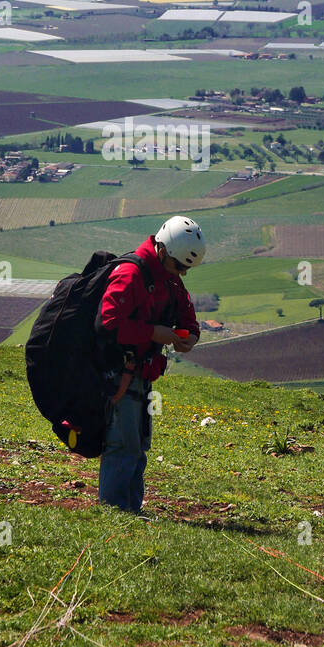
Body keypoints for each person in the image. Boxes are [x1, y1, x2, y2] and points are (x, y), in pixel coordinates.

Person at [97, 215, 205, 515]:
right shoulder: (130, 274)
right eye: (179, 266)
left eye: (186, 268)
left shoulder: (168, 275)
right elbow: (108, 323)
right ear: (162, 251)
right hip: (120, 372)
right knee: (123, 445)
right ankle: (115, 513)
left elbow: (185, 310)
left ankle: (130, 510)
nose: (182, 273)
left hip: (143, 372)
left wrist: (191, 334)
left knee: (138, 446)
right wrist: (154, 333)